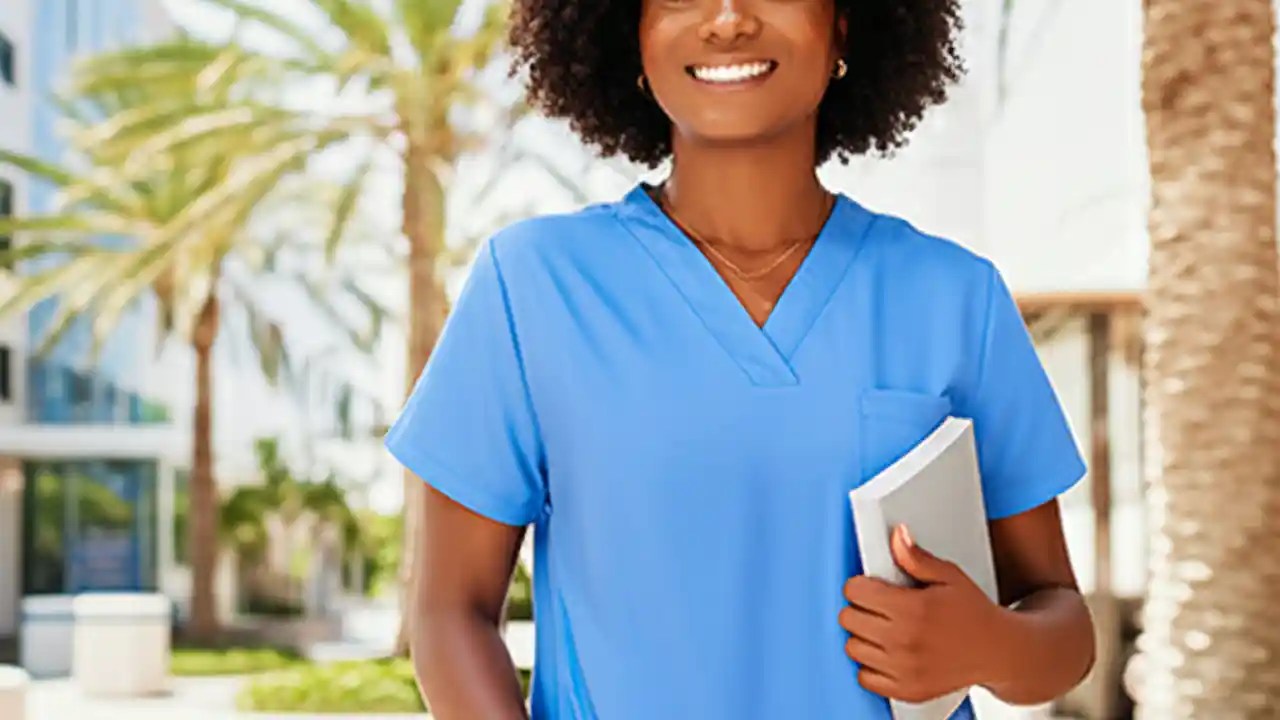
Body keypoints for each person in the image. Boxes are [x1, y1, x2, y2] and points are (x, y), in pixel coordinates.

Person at [385, 0, 1097, 717]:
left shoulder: (953, 298)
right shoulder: (533, 286)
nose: (727, 19)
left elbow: (1063, 623)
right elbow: (452, 613)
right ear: (625, 30)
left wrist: (989, 646)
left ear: (844, 23)